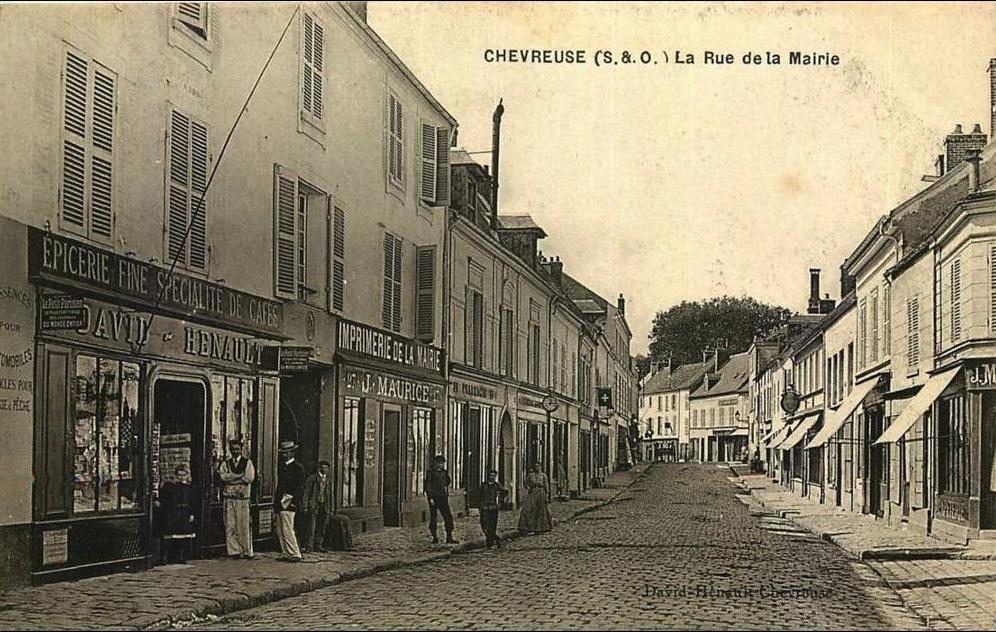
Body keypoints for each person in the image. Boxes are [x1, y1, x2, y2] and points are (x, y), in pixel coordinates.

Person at [217, 438, 255, 559]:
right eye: (233, 449)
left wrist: (232, 478)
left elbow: (249, 478)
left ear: (241, 449)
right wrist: (239, 477)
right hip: (229, 497)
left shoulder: (247, 462)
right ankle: (234, 550)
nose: (235, 451)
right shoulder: (226, 463)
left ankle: (246, 550)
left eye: (237, 449)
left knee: (243, 524)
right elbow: (223, 477)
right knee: (230, 524)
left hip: (243, 498)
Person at [156, 464, 196, 564]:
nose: (181, 477)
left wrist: (191, 513)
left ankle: (180, 556)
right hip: (173, 512)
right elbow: (165, 500)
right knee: (169, 535)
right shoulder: (169, 486)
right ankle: (165, 556)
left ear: (187, 475)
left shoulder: (189, 488)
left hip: (184, 512)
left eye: (183, 475)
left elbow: (192, 501)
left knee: (183, 536)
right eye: (179, 475)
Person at [274, 440, 306, 562]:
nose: (284, 455)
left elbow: (300, 487)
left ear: (292, 453)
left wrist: (294, 501)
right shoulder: (283, 467)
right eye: (283, 453)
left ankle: (294, 553)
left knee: (288, 528)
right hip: (281, 501)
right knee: (280, 528)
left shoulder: (297, 468)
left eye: (287, 453)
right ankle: (285, 552)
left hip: (289, 501)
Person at [301, 459, 334, 552]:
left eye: (326, 468)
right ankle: (309, 546)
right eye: (322, 468)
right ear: (318, 468)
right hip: (314, 505)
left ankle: (318, 544)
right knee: (311, 526)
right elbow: (306, 493)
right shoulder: (312, 479)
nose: (324, 470)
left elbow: (331, 495)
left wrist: (331, 508)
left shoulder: (328, 480)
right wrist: (305, 505)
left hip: (325, 505)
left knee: (322, 526)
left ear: (328, 469)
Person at [425, 455, 458, 544]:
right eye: (438, 463)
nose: (439, 465)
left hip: (443, 497)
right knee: (434, 518)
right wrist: (430, 498)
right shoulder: (430, 473)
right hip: (434, 497)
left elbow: (448, 482)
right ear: (435, 463)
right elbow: (428, 486)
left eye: (441, 463)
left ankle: (449, 537)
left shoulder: (444, 472)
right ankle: (434, 537)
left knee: (448, 517)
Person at [518, 462, 553, 534]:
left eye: (538, 467)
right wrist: (529, 488)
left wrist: (546, 496)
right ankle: (528, 527)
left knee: (541, 511)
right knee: (528, 509)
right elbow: (525, 483)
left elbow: (546, 486)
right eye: (536, 467)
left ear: (541, 467)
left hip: (541, 493)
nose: (537, 468)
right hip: (533, 493)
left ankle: (542, 528)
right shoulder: (531, 475)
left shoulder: (544, 476)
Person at [478, 469, 508, 549]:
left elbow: (505, 492)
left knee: (492, 526)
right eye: (491, 475)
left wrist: (501, 497)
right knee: (484, 526)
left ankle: (489, 544)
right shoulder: (484, 485)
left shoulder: (496, 485)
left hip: (493, 508)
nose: (492, 477)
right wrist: (479, 506)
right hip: (484, 507)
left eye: (494, 476)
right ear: (488, 476)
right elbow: (479, 495)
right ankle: (497, 538)